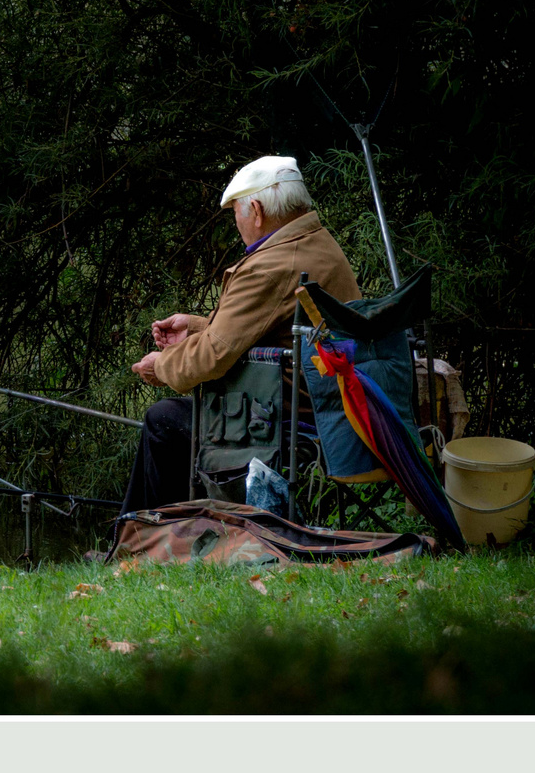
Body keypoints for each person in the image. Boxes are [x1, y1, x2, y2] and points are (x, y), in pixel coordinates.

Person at [118, 155, 361, 514]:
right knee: (172, 418)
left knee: (164, 420)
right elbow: (271, 329)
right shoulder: (316, 242)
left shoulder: (270, 265)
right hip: (331, 404)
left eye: (237, 213)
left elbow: (214, 356)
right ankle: (139, 532)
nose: (238, 223)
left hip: (292, 416)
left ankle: (152, 539)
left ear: (257, 211)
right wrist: (199, 326)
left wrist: (163, 365)